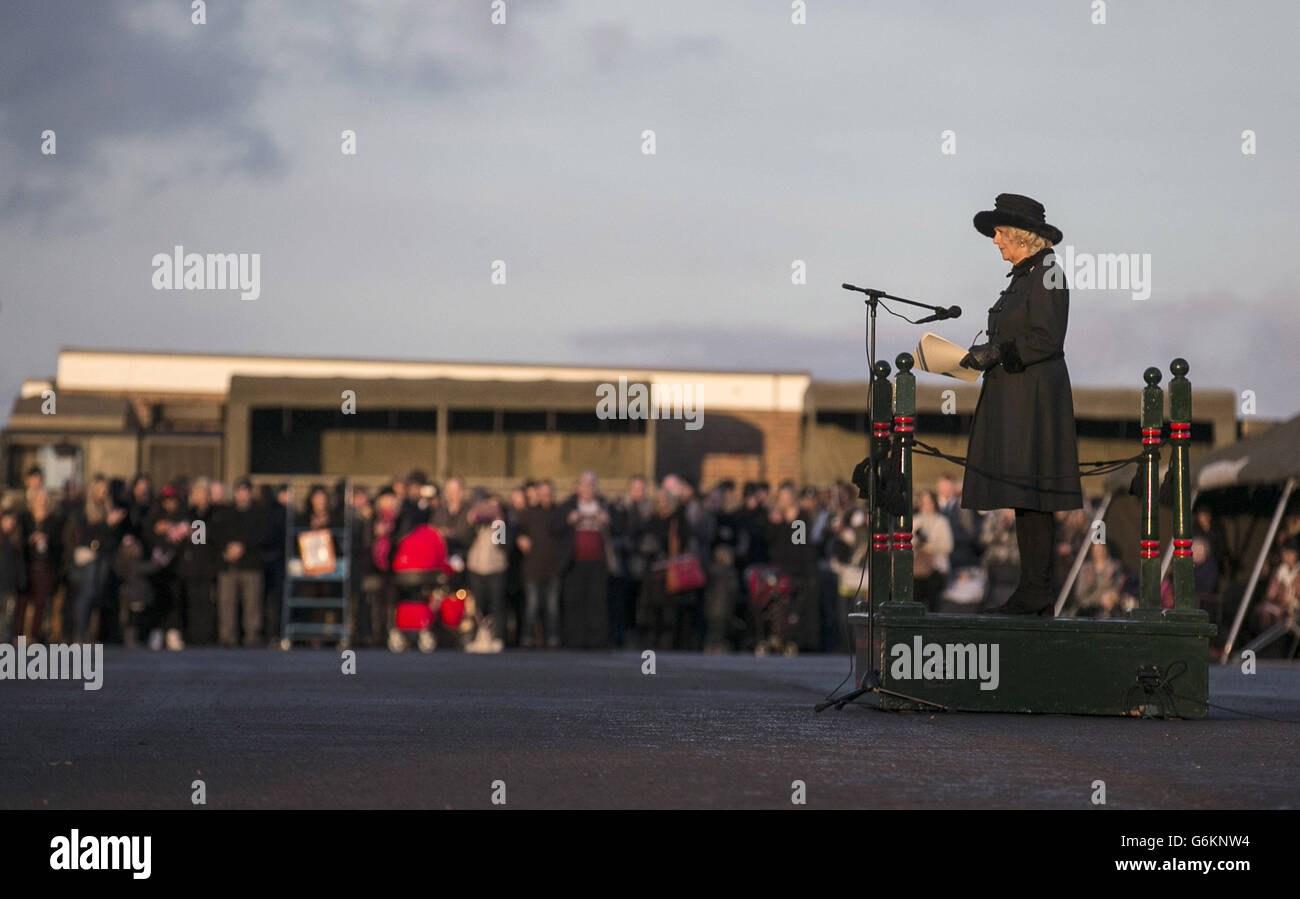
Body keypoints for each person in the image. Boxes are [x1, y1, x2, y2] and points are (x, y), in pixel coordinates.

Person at [959, 193, 1083, 615]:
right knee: (1025, 494)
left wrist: (995, 353)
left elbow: (1047, 338)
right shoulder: (1024, 276)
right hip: (1019, 395)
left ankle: (1037, 592)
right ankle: (1033, 591)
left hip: (1035, 398)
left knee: (1035, 493)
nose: (994, 240)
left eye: (998, 232)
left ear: (1017, 234)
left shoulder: (1047, 273)